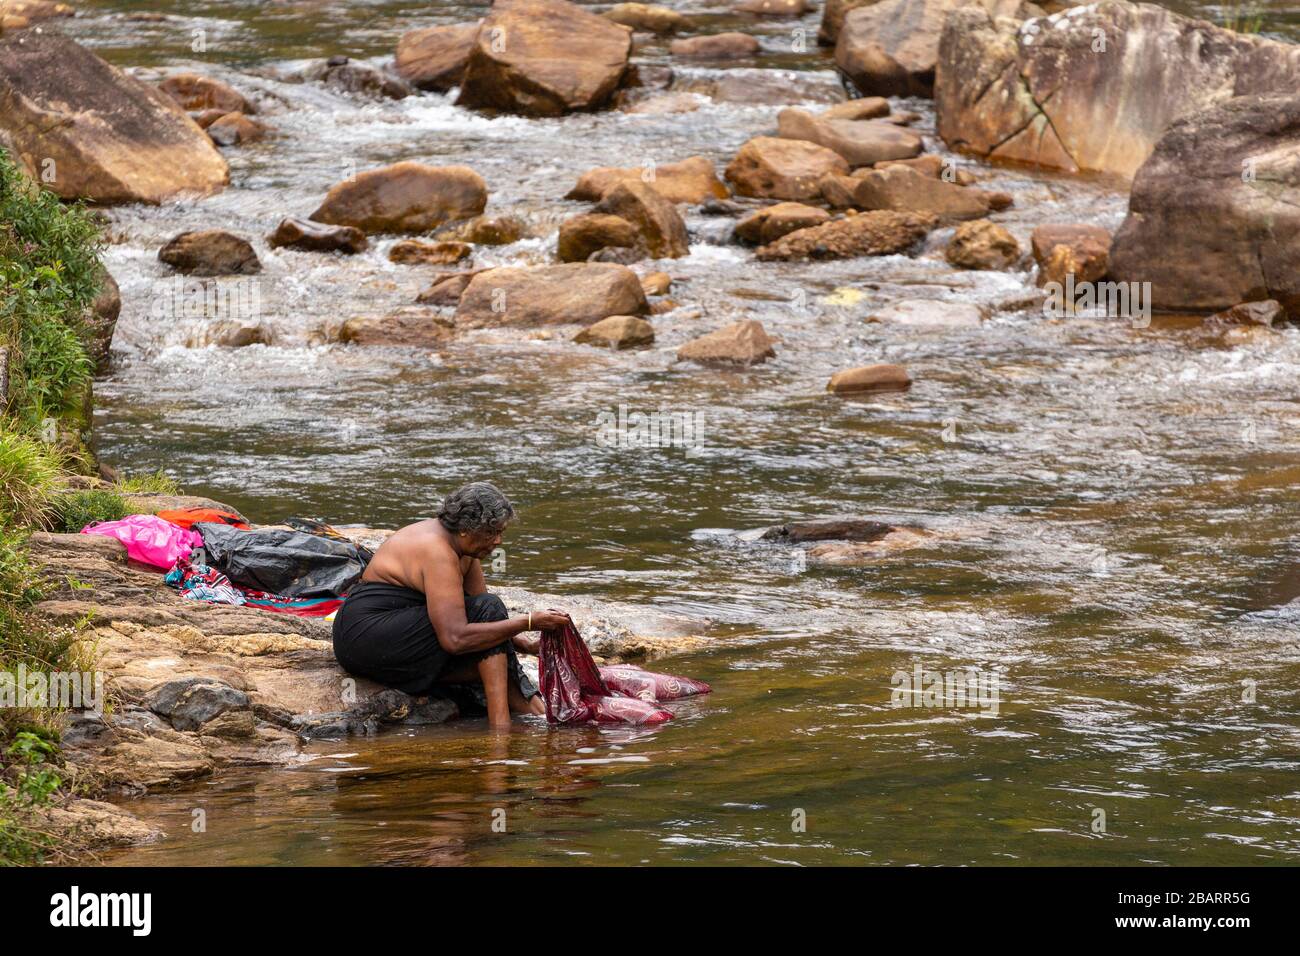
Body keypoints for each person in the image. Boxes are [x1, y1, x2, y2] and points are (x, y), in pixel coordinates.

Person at [332, 482, 569, 729]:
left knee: (487, 637)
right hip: (365, 637)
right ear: (466, 529)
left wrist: (526, 645)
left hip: (391, 635)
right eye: (492, 532)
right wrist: (528, 622)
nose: (498, 541)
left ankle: (534, 715)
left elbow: (488, 624)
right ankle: (501, 726)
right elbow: (455, 638)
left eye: (501, 532)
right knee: (487, 610)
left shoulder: (465, 550)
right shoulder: (438, 551)